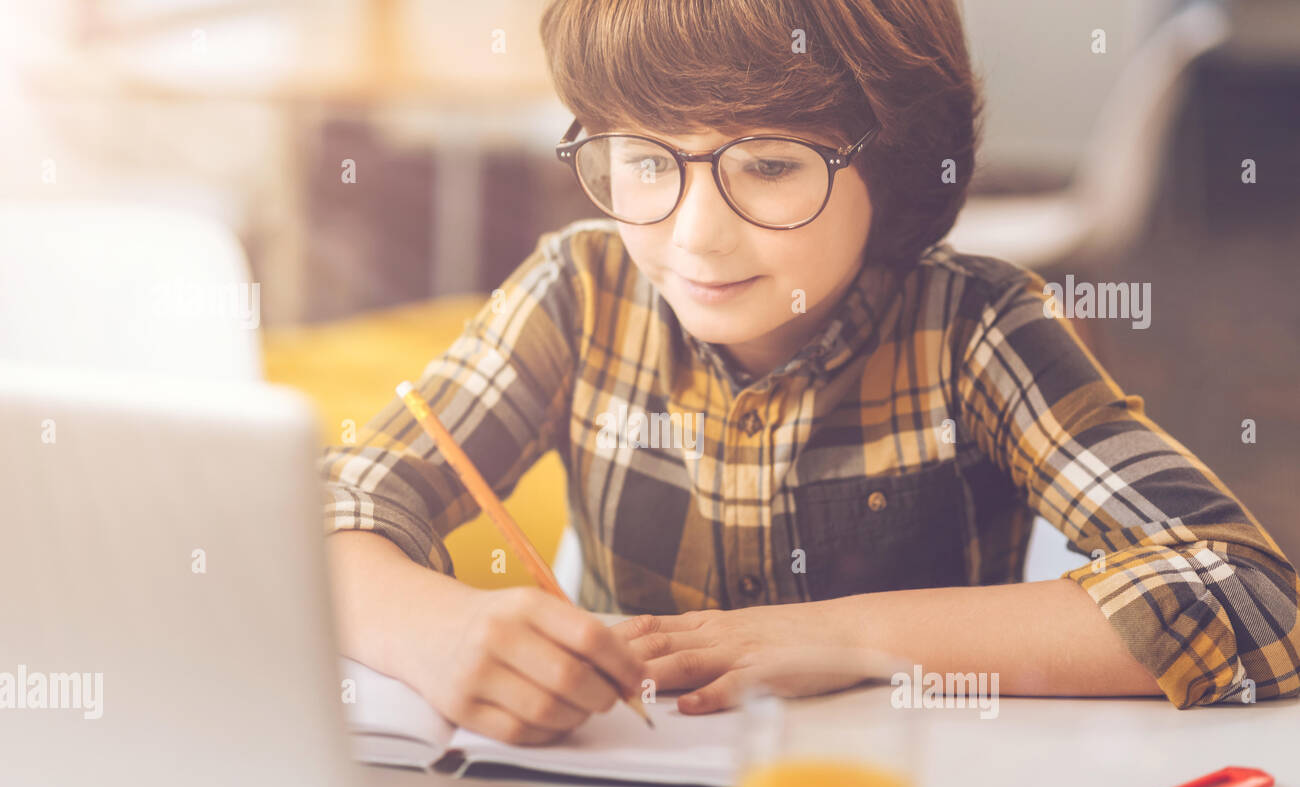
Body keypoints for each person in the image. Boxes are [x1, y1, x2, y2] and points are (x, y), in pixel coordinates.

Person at [321, 0, 1299, 744]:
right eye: (645, 159)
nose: (695, 237)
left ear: (899, 163)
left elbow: (1246, 596)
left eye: (772, 165)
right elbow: (319, 521)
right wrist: (434, 633)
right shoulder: (577, 293)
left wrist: (840, 639)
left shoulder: (973, 328)